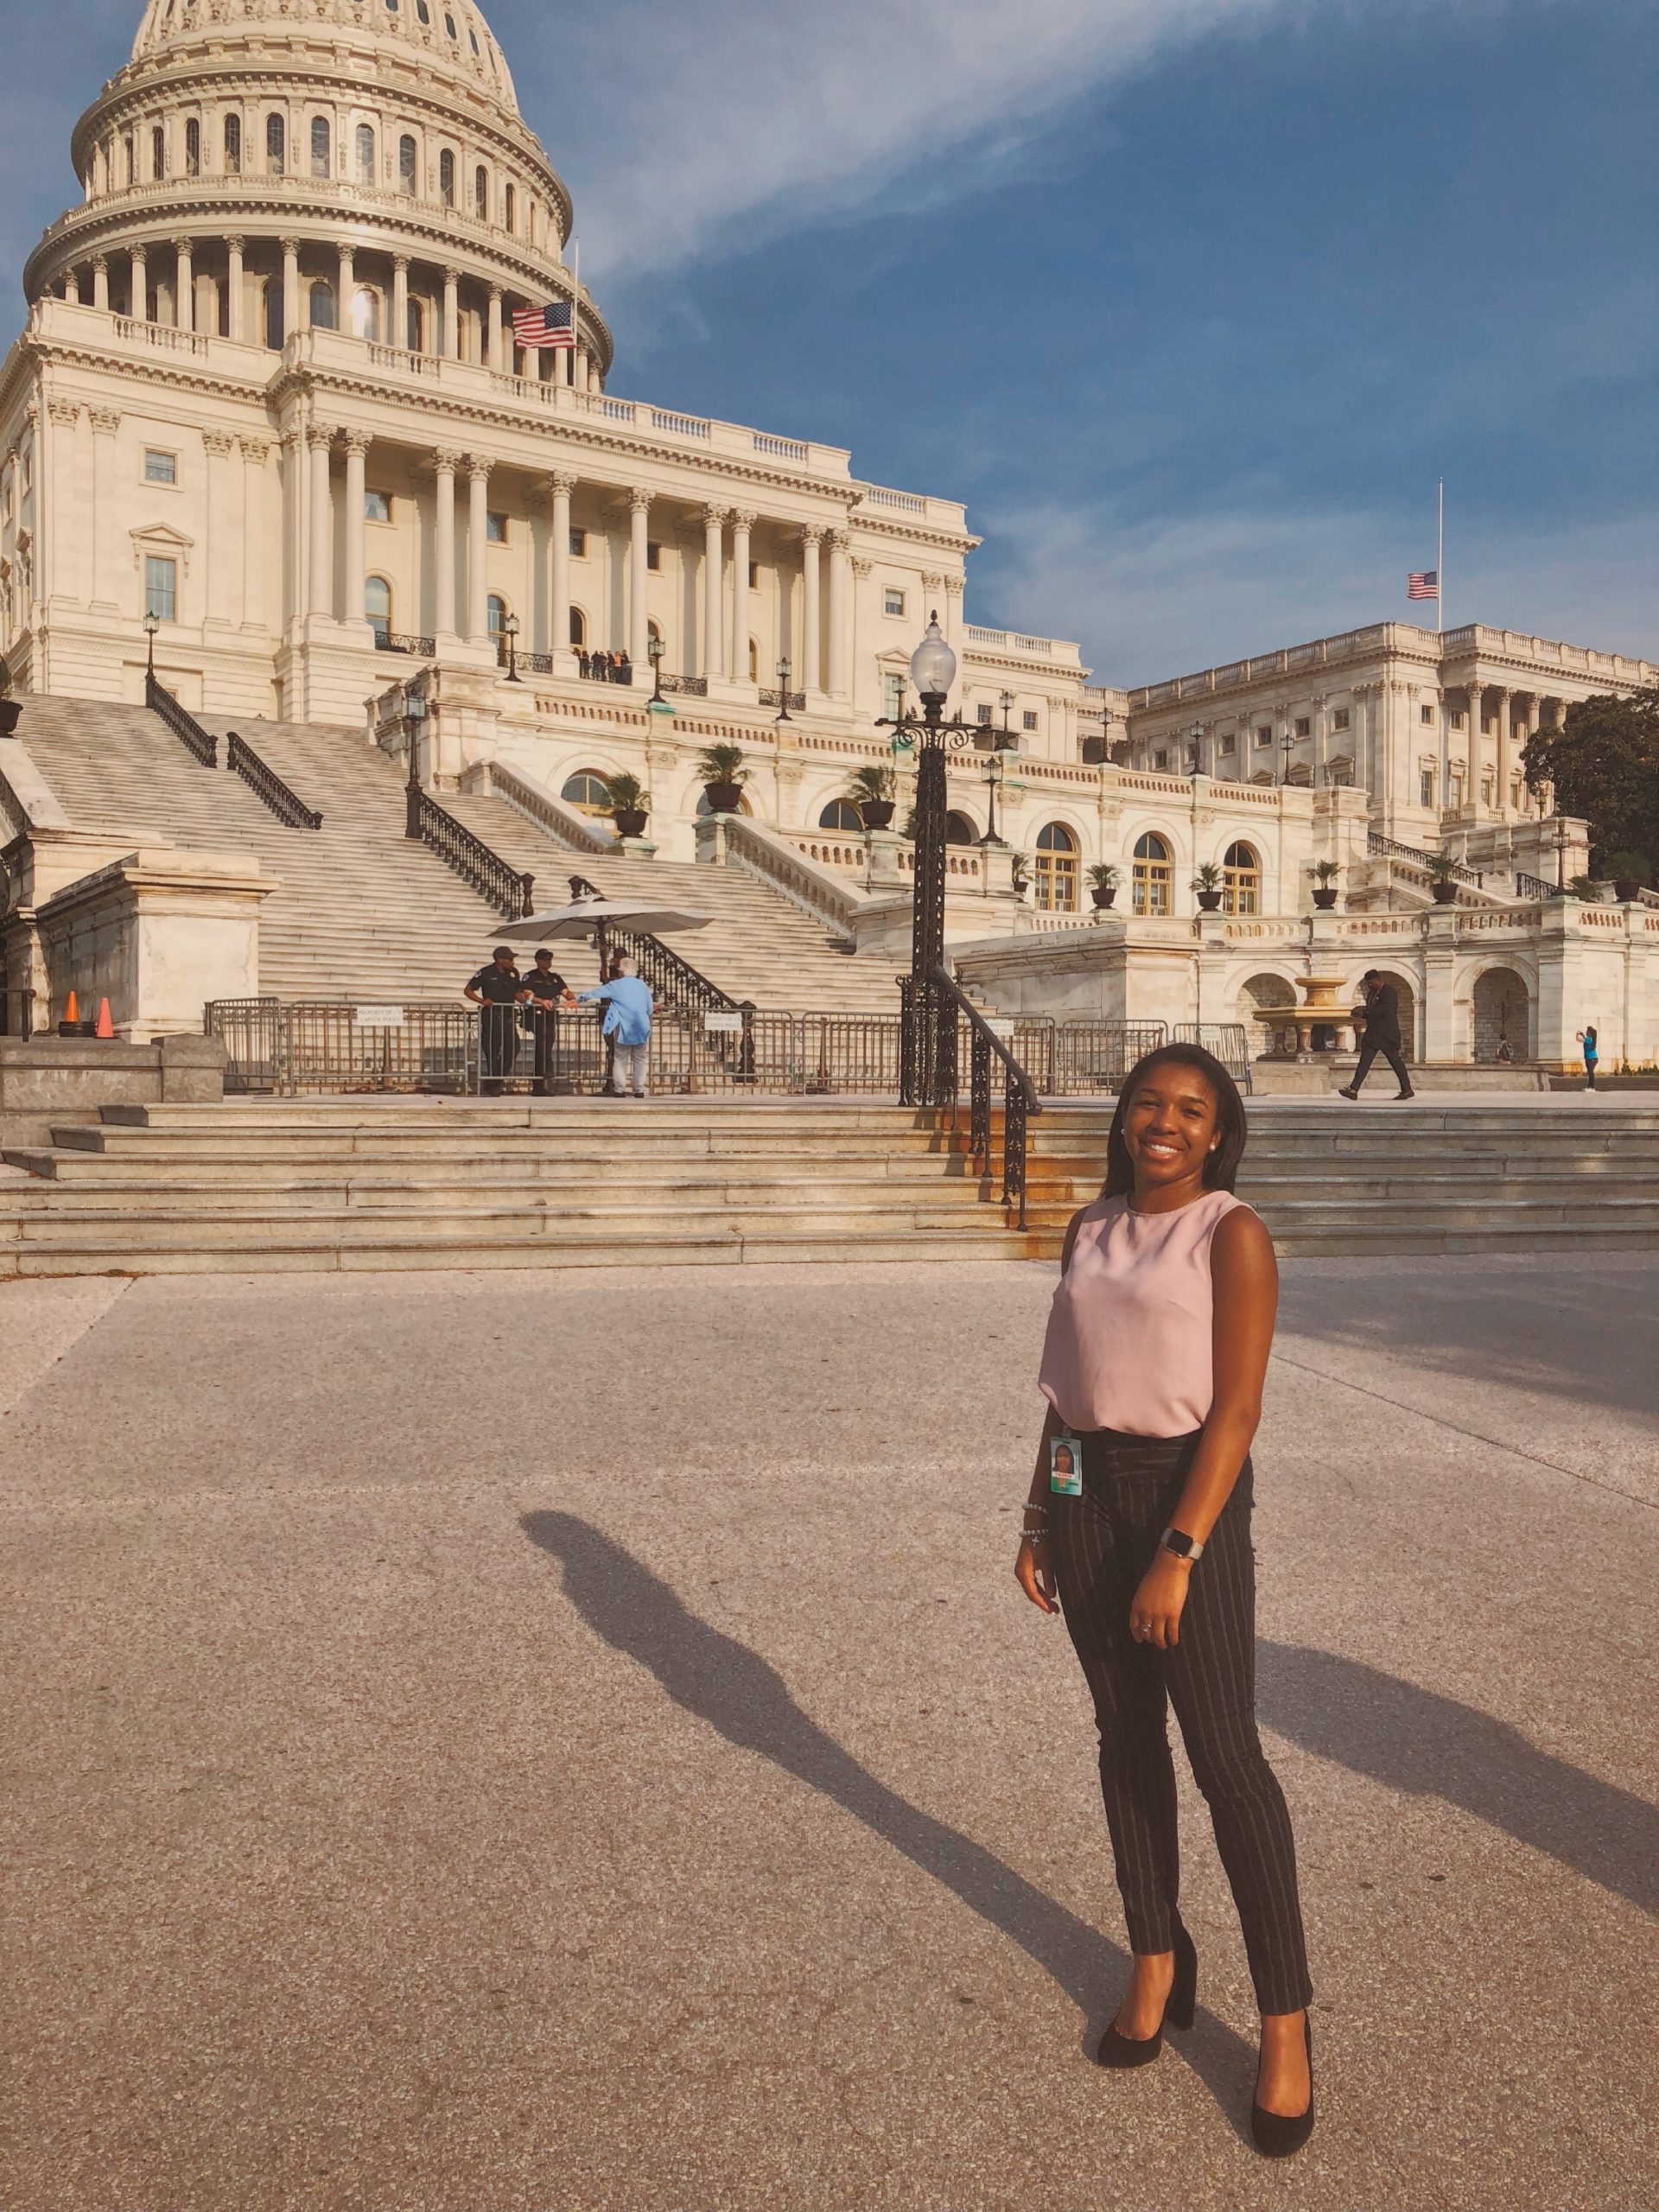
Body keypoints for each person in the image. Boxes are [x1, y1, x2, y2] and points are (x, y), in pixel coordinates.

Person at [1016, 1043, 1315, 2158]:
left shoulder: (1228, 1231)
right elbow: (1064, 1398)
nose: (1166, 1122)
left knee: (1228, 1760)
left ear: (1219, 1130)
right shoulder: (1091, 1226)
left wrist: (1181, 1551)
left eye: (1192, 1109)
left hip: (1188, 1495)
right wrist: (1040, 1516)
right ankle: (1156, 1955)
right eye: (1150, 1102)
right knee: (1124, 1739)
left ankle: (1283, 2022)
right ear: (1125, 1116)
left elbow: (1237, 1410)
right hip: (1090, 1490)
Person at [578, 955, 655, 1096]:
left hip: (623, 1025)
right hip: (641, 1025)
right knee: (640, 1058)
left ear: (621, 971)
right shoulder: (643, 985)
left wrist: (578, 999)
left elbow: (596, 992)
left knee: (620, 1057)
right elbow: (650, 1007)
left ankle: (619, 1089)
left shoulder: (616, 985)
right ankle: (639, 1089)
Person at [1339, 969, 1414, 1101]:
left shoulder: (1388, 992)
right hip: (1373, 1034)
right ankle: (1353, 1090)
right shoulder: (1372, 993)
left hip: (1387, 1035)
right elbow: (1373, 1011)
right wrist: (1361, 1011)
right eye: (1368, 984)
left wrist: (1365, 1011)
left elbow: (1386, 1010)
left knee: (1396, 1062)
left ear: (1379, 980)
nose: (1370, 986)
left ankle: (1407, 1090)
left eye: (1372, 983)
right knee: (1364, 1062)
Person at [464, 945, 522, 1096]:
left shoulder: (514, 974)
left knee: (514, 1047)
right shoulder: (486, 972)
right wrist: (482, 1001)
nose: (513, 961)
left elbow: (517, 993)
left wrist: (528, 1001)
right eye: (510, 959)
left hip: (509, 1015)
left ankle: (495, 1079)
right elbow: (468, 990)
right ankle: (494, 1082)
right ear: (500, 960)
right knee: (492, 1050)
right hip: (492, 1016)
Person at [518, 947, 569, 1097]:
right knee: (542, 1047)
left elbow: (565, 991)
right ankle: (539, 1083)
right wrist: (540, 1001)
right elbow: (526, 994)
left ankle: (545, 1080)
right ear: (537, 960)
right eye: (544, 959)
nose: (547, 962)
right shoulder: (531, 976)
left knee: (547, 1047)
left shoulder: (555, 978)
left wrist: (572, 998)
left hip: (550, 1016)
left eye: (549, 959)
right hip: (536, 1015)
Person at [1578, 1024, 1599, 1091]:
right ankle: (1589, 1086)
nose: (1586, 1032)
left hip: (1591, 1059)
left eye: (1587, 1031)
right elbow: (1584, 1038)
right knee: (1590, 1073)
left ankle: (1592, 1087)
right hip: (1590, 1058)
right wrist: (1582, 1034)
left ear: (1590, 1033)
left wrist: (1577, 1034)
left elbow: (1579, 1039)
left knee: (1591, 1073)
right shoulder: (1589, 1039)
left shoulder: (1589, 1039)